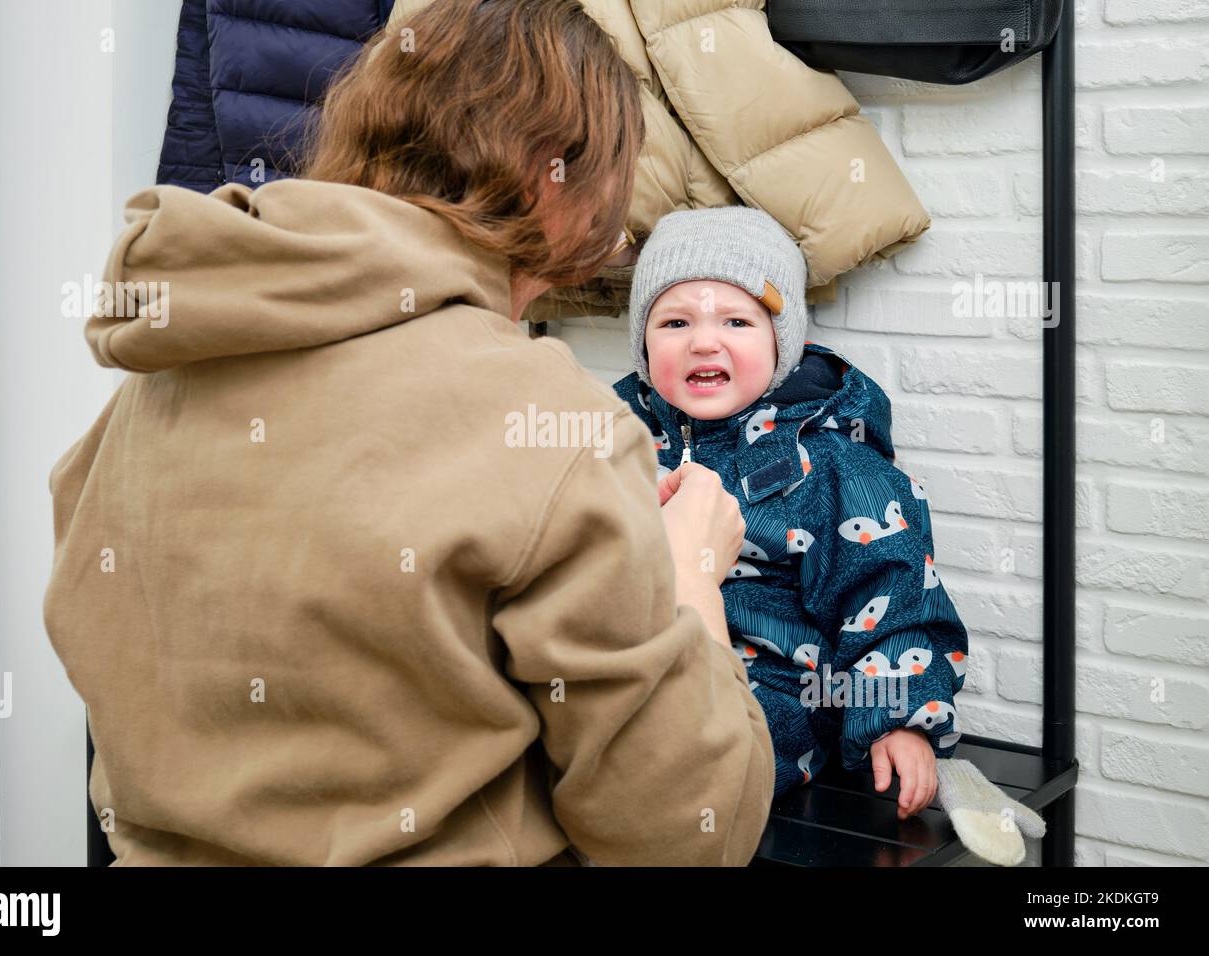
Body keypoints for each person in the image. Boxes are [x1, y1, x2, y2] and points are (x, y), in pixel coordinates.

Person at [43, 0, 774, 867]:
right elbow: (681, 836)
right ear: (554, 178)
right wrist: (690, 577)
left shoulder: (151, 387)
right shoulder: (555, 425)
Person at [613, 206, 970, 821]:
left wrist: (900, 722)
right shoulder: (618, 443)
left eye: (736, 320)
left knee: (679, 768)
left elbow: (892, 594)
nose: (703, 340)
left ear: (783, 341)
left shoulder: (833, 466)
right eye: (674, 321)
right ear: (644, 343)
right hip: (631, 656)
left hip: (775, 688)